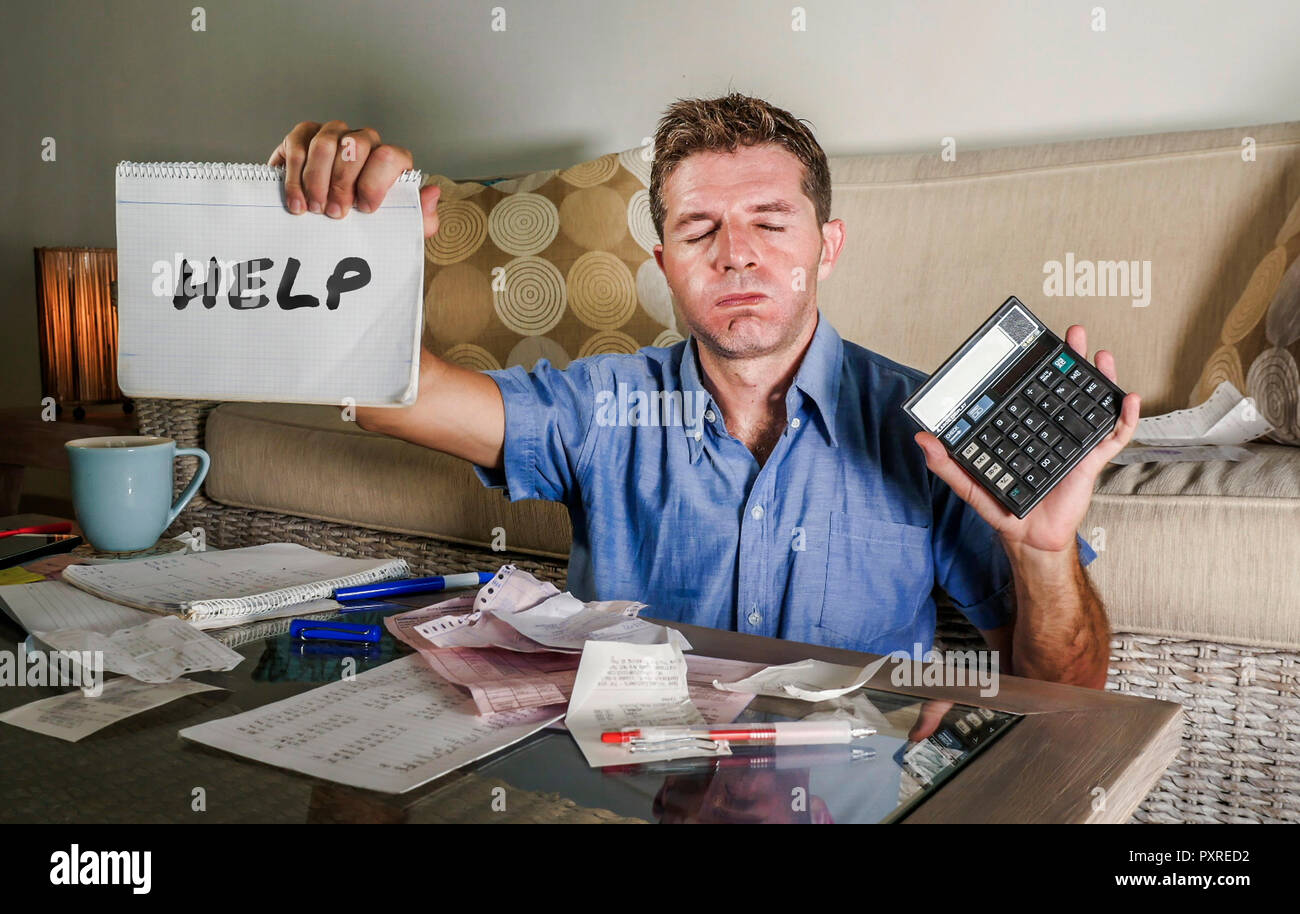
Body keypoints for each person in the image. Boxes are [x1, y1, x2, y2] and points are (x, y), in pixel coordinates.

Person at [268, 93, 1139, 689]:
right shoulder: (602, 406)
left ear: (827, 247)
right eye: (699, 229)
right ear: (665, 266)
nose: (737, 253)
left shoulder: (927, 433)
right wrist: (357, 247)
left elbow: (1069, 689)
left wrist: (1044, 554)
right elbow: (392, 396)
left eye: (770, 221)